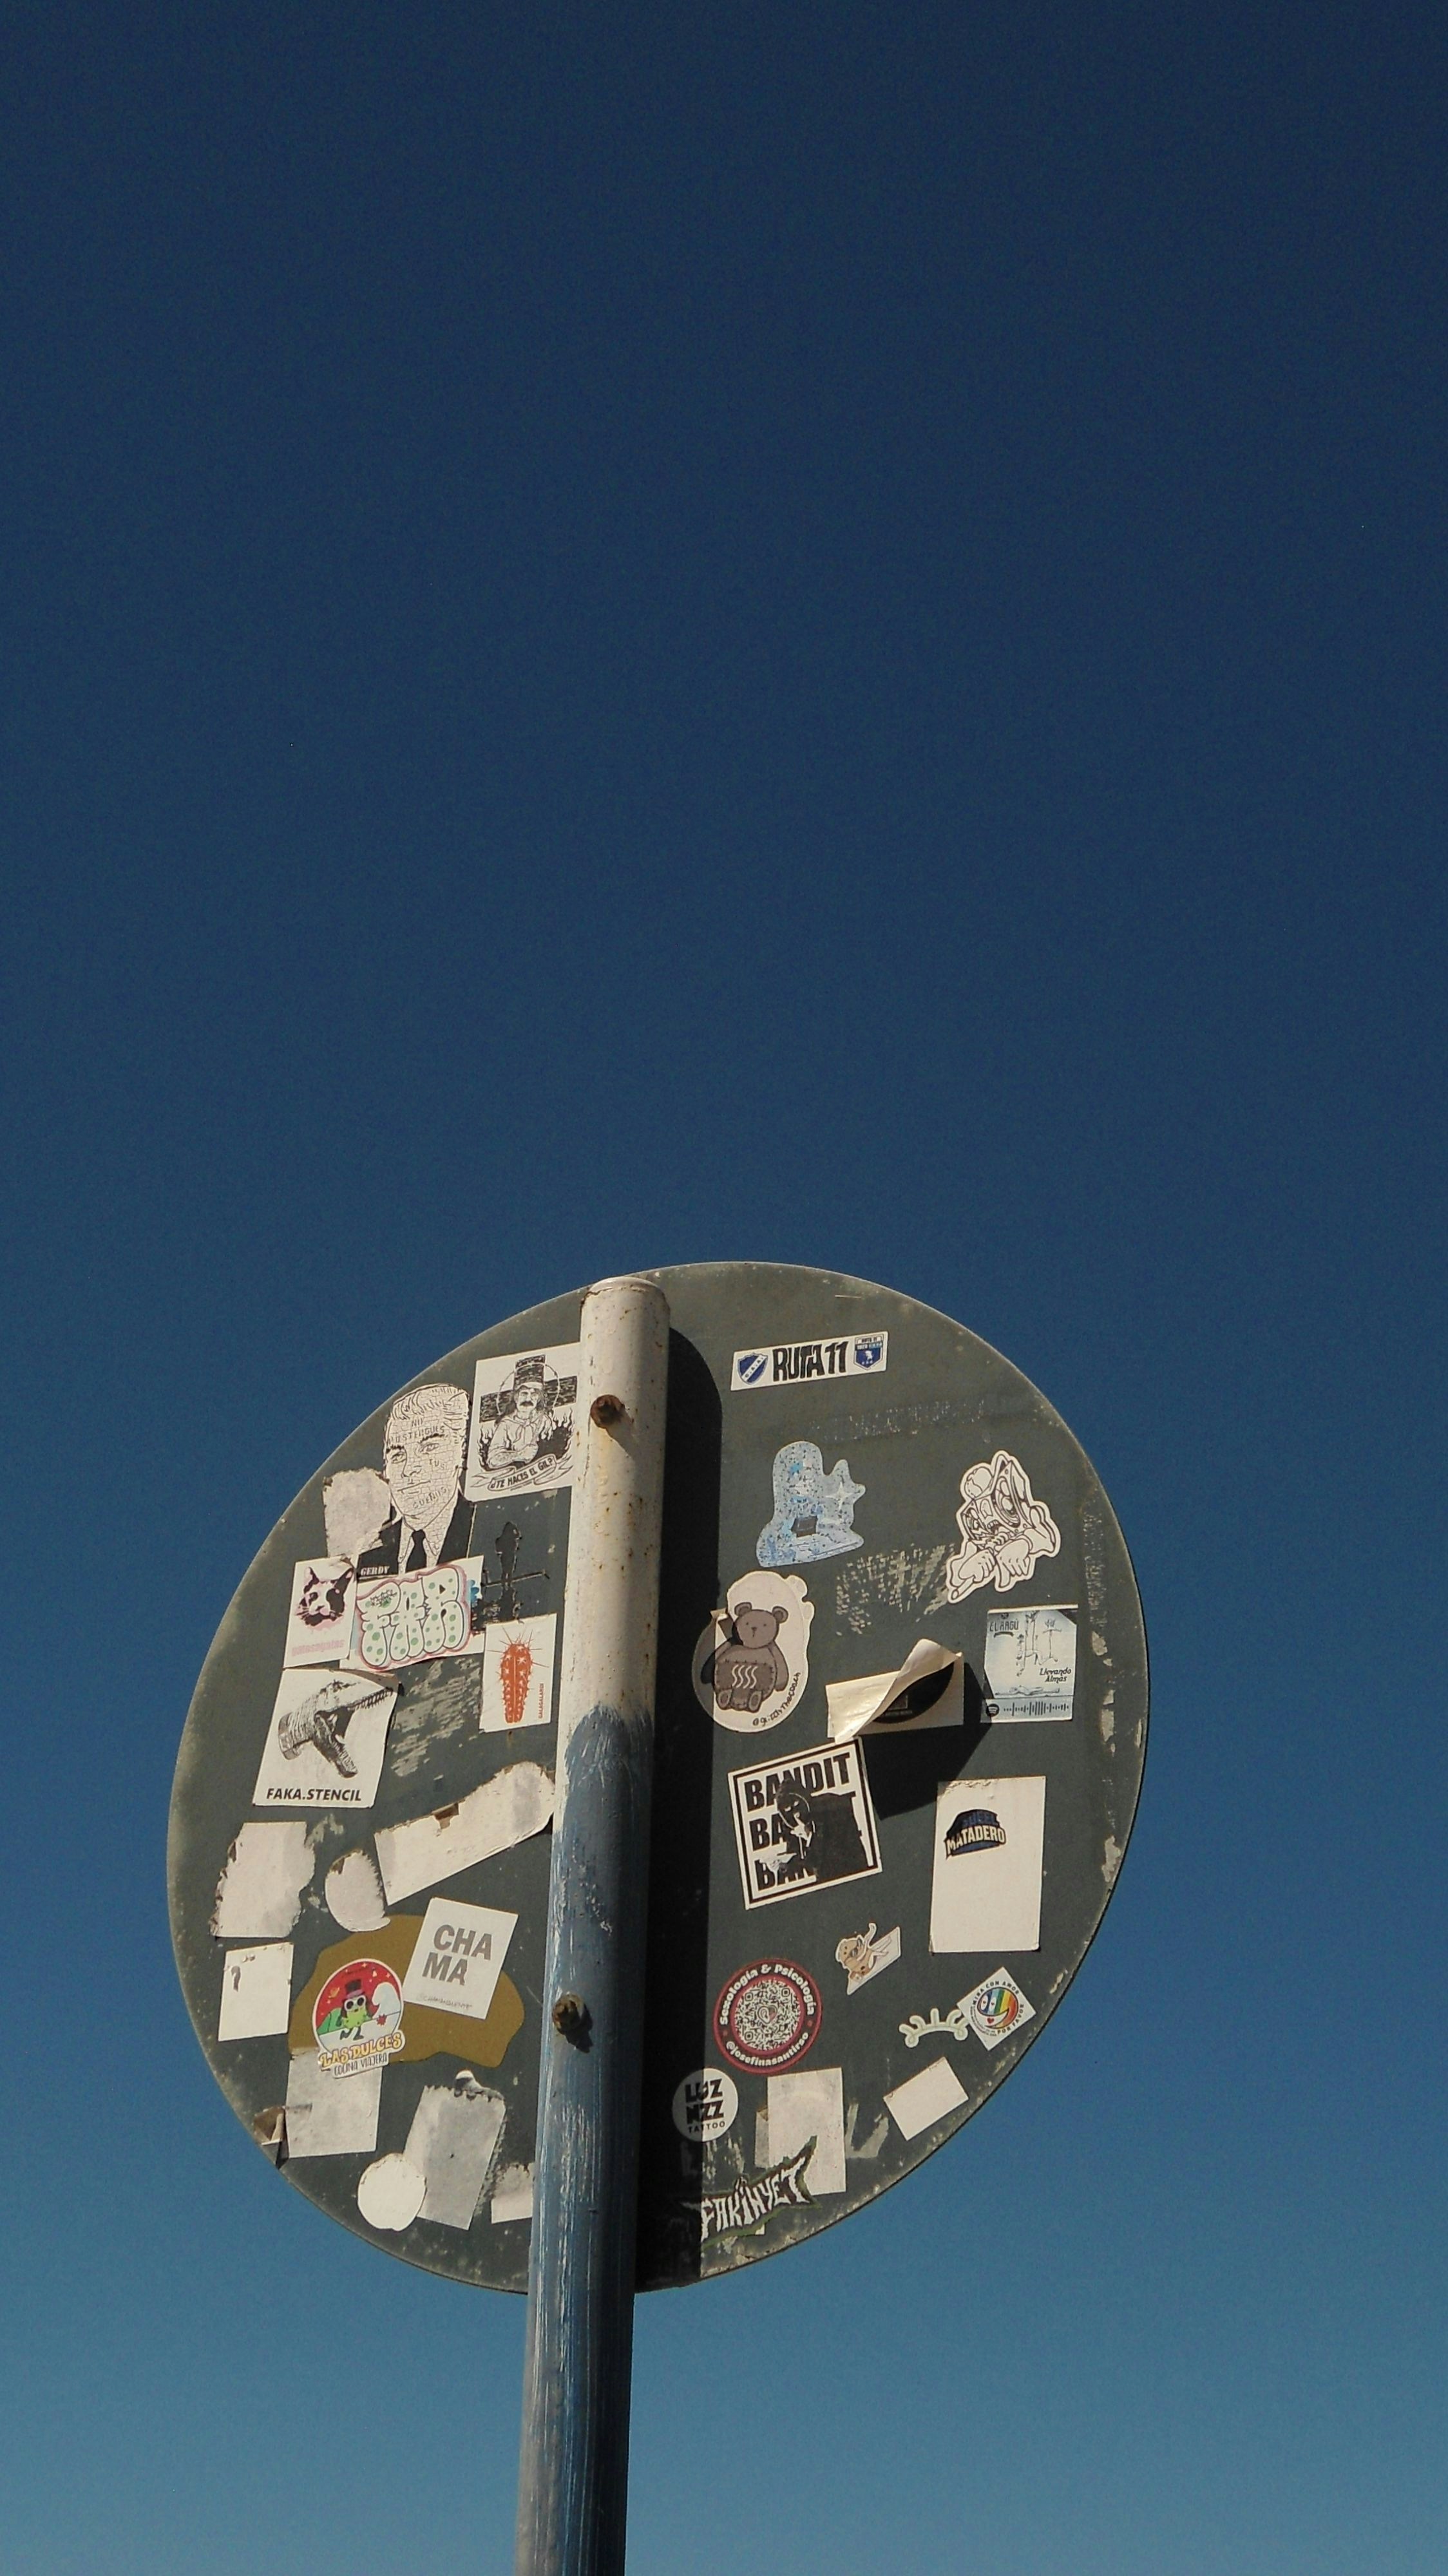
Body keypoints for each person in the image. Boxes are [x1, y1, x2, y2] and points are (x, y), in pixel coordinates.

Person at [355, 1381, 474, 1577]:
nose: (409, 1469)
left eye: (429, 1447)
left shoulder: (489, 1533)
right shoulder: (367, 1554)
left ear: (461, 1452)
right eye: (397, 1455)